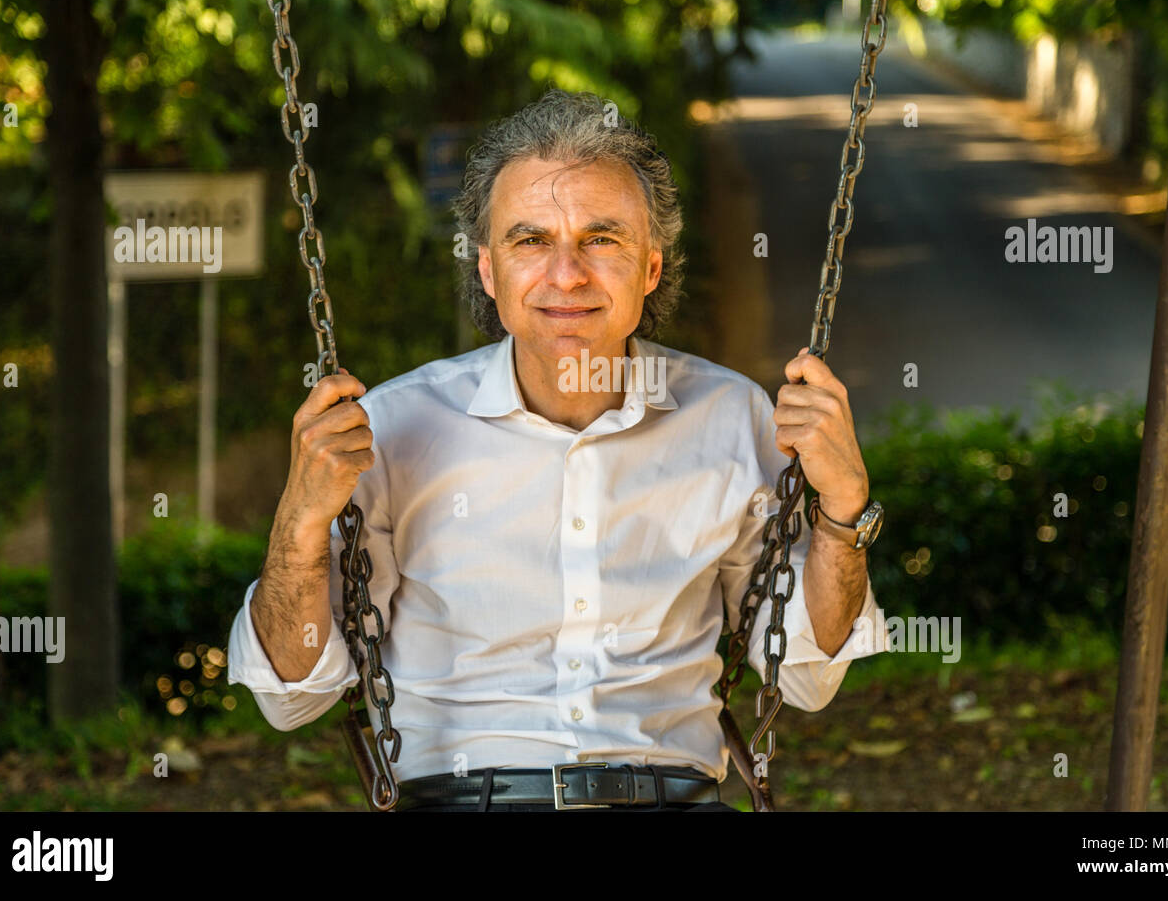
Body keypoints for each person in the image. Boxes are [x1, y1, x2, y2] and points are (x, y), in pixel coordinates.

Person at [227, 88, 888, 811]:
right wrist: (299, 524)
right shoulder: (392, 428)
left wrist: (843, 511)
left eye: (601, 240)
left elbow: (806, 676)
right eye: (530, 240)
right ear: (488, 271)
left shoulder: (729, 417)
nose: (566, 275)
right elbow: (289, 697)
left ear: (651, 269)